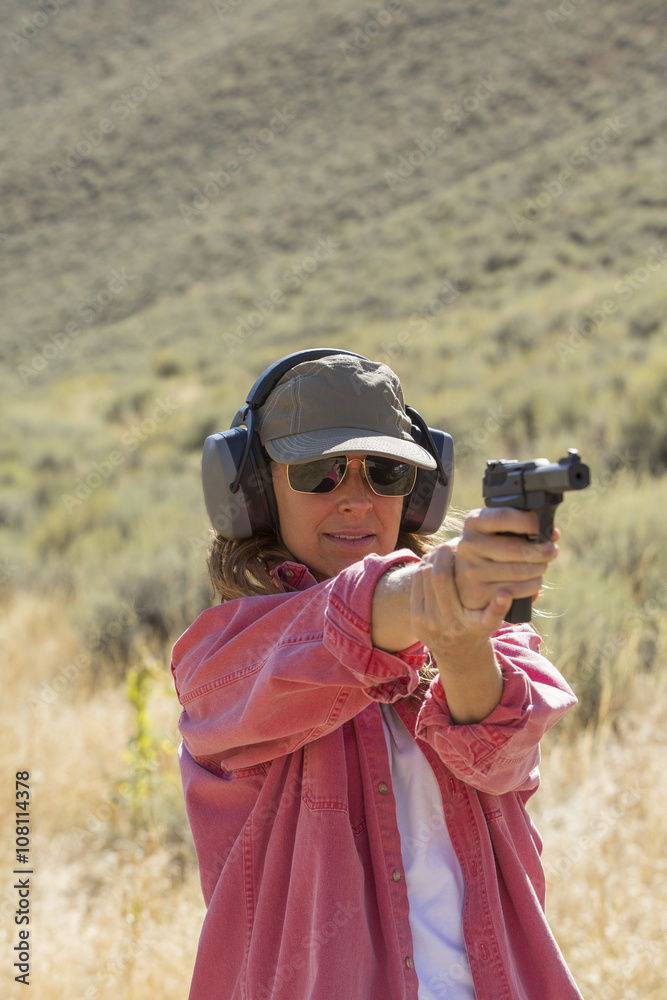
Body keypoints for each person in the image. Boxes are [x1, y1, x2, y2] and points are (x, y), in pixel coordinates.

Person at [171, 350, 584, 1000]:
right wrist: (439, 589)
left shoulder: (482, 626)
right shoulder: (224, 656)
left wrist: (461, 636)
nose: (356, 500)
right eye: (319, 472)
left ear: (414, 494)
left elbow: (501, 761)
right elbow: (328, 632)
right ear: (255, 492)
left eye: (386, 472)